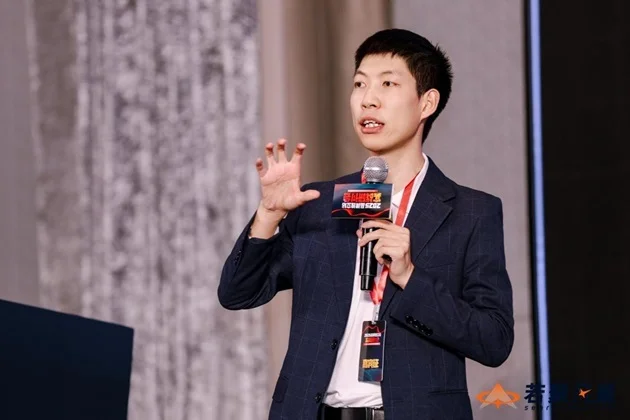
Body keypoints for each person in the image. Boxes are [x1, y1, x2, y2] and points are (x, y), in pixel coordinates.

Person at [218, 28, 514, 420]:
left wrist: (410, 277)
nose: (367, 99)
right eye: (359, 84)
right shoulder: (318, 203)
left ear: (426, 103)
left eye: (388, 84)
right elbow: (237, 293)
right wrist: (269, 215)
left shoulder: (471, 212)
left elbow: (493, 340)